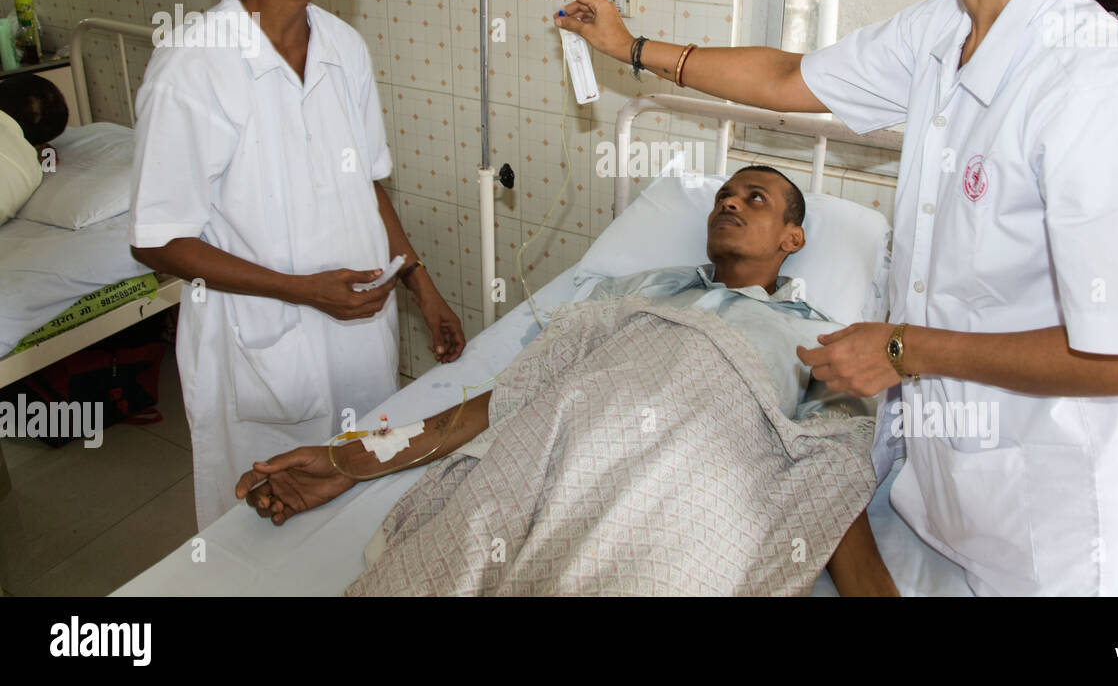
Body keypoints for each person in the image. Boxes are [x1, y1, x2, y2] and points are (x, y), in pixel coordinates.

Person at [545, 0, 1118, 595]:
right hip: (948, 489)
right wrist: (633, 48)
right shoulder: (946, 29)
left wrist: (902, 348)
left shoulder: (1103, 91)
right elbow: (791, 79)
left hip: (1062, 524)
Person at [235, 166, 899, 596]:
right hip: (566, 442)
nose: (730, 202)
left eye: (755, 198)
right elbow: (522, 395)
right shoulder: (637, 291)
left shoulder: (822, 339)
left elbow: (828, 470)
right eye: (725, 194)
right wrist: (345, 459)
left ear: (793, 236)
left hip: (687, 475)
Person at [128, 0, 465, 530]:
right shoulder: (193, 72)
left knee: (362, 504)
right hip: (259, 346)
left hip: (358, 335)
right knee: (262, 523)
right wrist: (303, 290)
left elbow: (368, 185)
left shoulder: (344, 48)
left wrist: (420, 286)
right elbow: (158, 240)